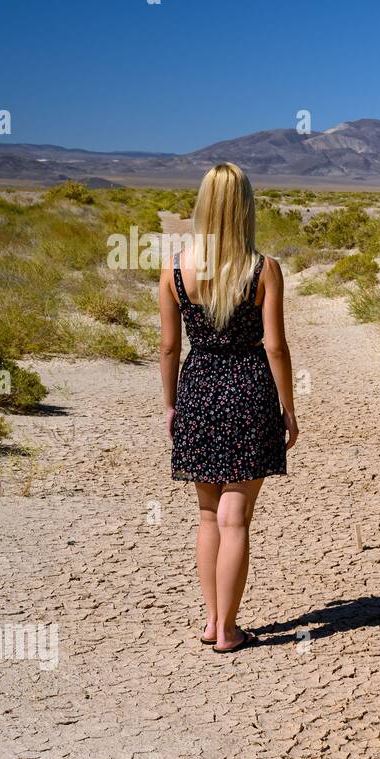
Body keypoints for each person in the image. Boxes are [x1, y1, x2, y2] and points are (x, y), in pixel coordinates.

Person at [158, 163, 298, 654]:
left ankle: (212, 620)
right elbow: (276, 348)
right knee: (235, 519)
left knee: (207, 516)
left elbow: (169, 348)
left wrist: (172, 404)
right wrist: (289, 408)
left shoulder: (175, 268)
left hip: (197, 389)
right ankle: (228, 630)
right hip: (249, 392)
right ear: (245, 206)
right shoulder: (263, 269)